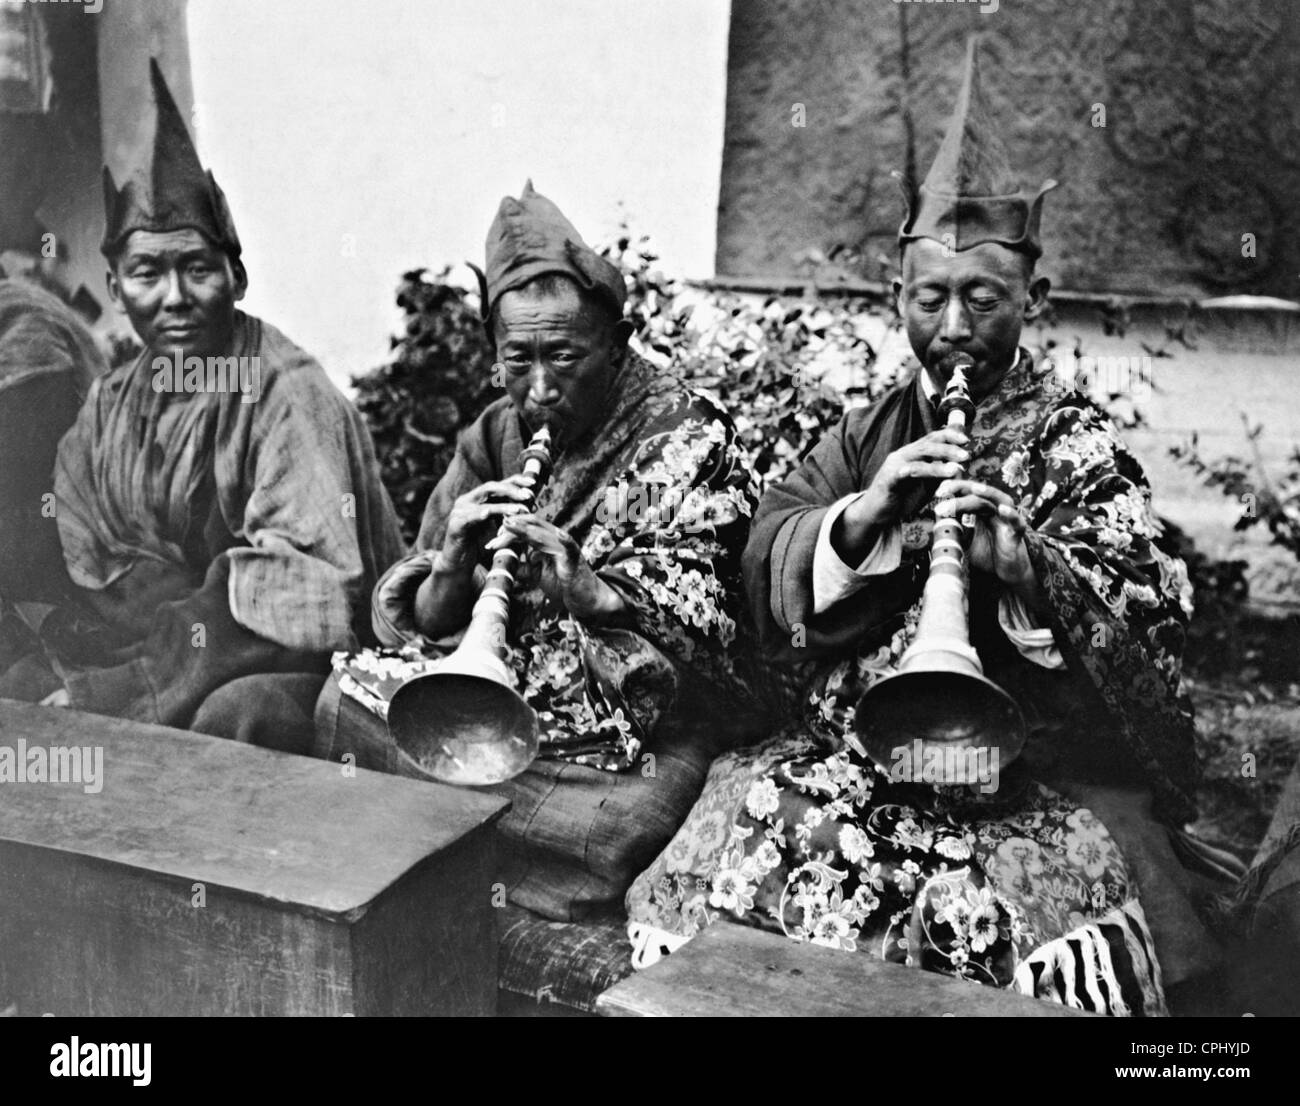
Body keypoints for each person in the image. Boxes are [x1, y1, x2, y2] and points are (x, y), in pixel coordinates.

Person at [625, 38, 1241, 1015]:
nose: (953, 323)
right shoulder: (867, 429)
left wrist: (1035, 575)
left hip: (1018, 763)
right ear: (894, 299)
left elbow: (1150, 626)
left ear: (1031, 302)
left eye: (982, 297)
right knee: (745, 822)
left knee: (1005, 898)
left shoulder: (1070, 441)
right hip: (867, 741)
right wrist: (859, 519)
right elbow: (765, 548)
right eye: (929, 296)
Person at [315, 182, 763, 921]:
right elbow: (422, 619)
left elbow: (718, 637)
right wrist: (457, 559)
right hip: (506, 686)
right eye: (518, 360)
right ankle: (482, 846)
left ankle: (452, 844)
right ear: (494, 358)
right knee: (344, 701)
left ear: (617, 347)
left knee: (639, 814)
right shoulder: (496, 433)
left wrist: (595, 596)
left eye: (564, 356)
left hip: (629, 726)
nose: (542, 389)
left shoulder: (687, 434)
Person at [39, 60, 404, 752]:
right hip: (166, 645)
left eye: (197, 268)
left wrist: (127, 687)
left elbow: (306, 593)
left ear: (236, 277)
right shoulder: (109, 406)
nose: (174, 297)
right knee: (27, 679)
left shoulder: (283, 390)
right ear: (116, 290)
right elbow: (91, 550)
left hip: (301, 658)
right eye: (148, 273)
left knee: (234, 720)